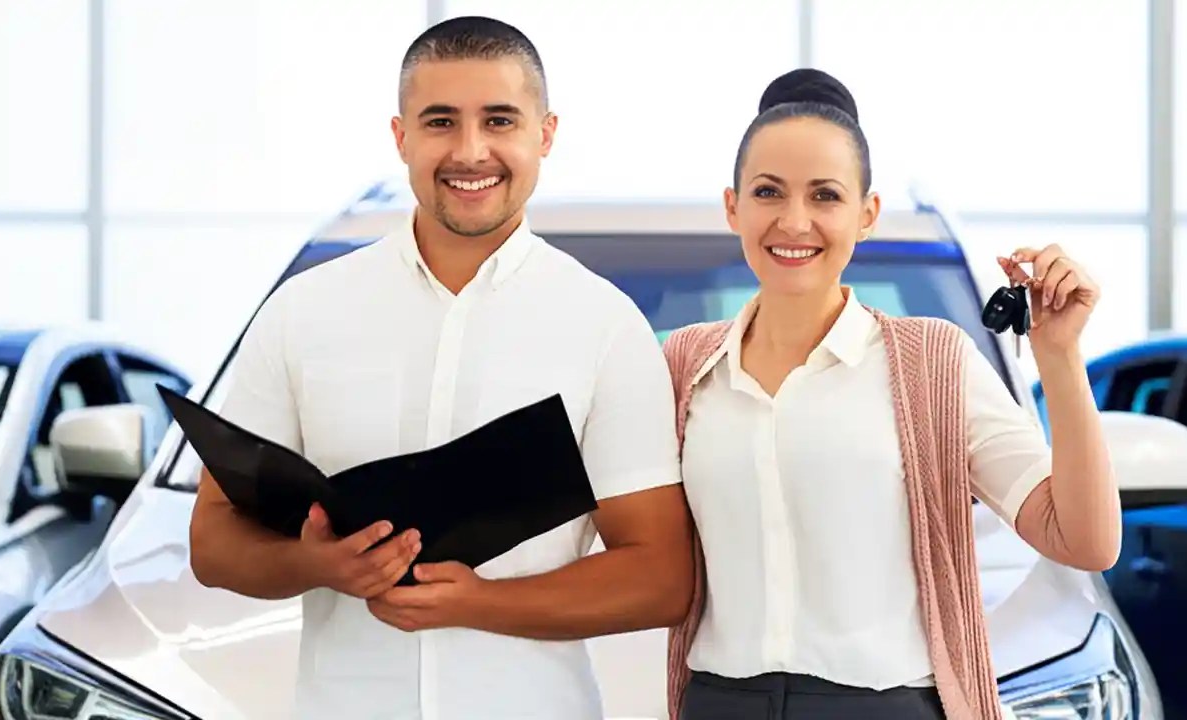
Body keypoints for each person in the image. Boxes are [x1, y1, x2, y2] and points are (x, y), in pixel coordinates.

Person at [187, 16, 693, 720]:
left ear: (544, 134)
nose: (470, 150)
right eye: (440, 121)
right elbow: (212, 540)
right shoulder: (302, 314)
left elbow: (661, 574)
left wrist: (482, 603)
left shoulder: (604, 327)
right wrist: (318, 565)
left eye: (499, 120)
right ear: (401, 138)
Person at [660, 68, 1121, 720]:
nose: (795, 222)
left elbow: (1083, 541)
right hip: (718, 704)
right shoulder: (682, 366)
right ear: (733, 205)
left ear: (866, 214)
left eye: (825, 196)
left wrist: (1060, 356)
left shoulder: (933, 362)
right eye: (769, 192)